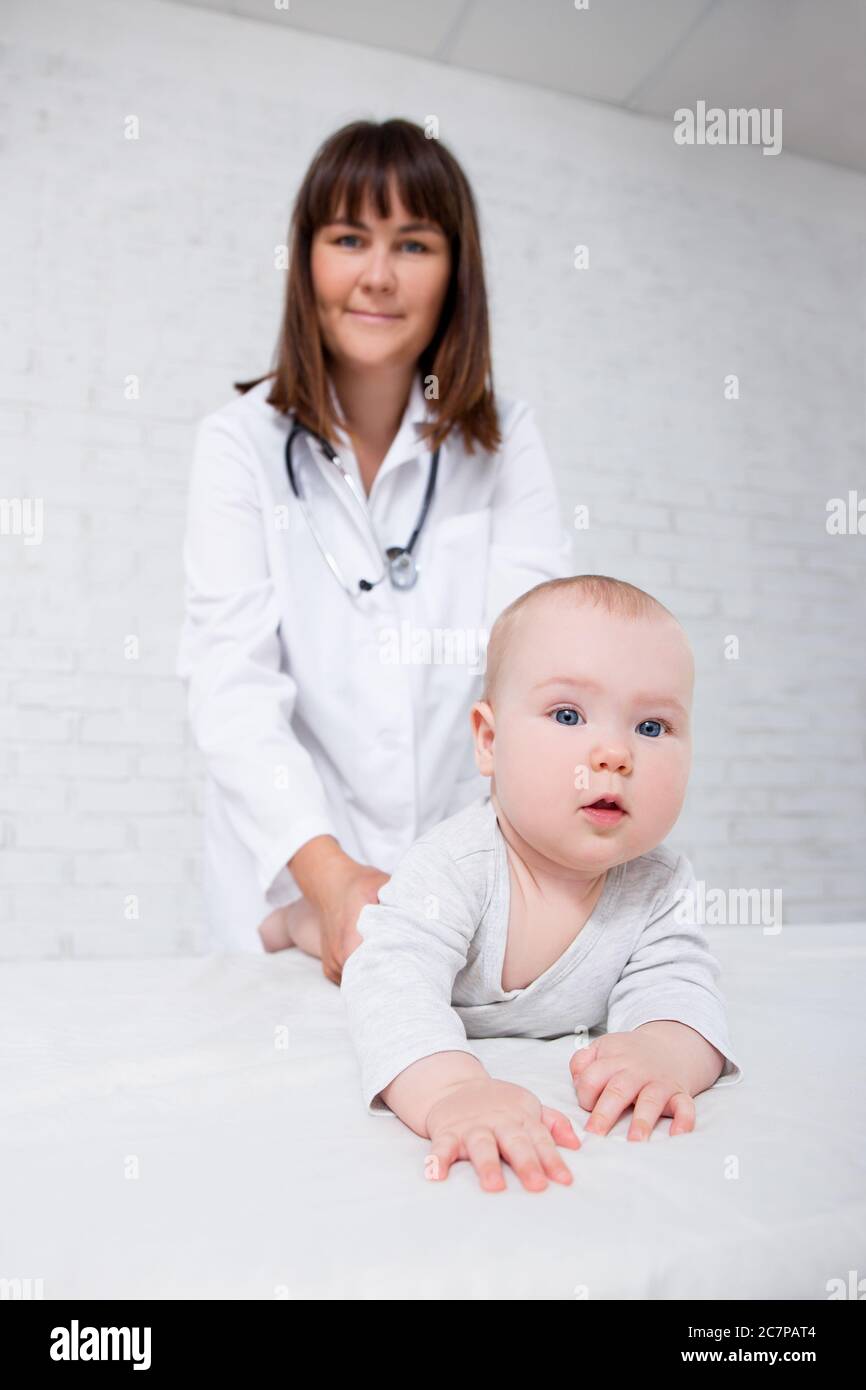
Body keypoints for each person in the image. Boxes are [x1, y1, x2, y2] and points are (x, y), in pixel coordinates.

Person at [176, 119, 572, 976]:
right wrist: (332, 884)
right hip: (288, 894)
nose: (379, 276)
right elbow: (231, 683)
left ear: (454, 272)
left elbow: (539, 672)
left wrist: (516, 880)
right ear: (307, 258)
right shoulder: (240, 444)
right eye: (349, 238)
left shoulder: (504, 443)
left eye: (415, 243)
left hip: (464, 887)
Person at [340, 575, 744, 1192]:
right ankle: (298, 917)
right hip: (390, 915)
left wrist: (666, 1050)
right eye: (568, 714)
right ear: (491, 741)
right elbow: (393, 984)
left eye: (653, 727)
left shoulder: (657, 885)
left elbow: (680, 983)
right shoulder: (455, 866)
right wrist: (453, 1089)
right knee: (354, 936)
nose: (613, 754)